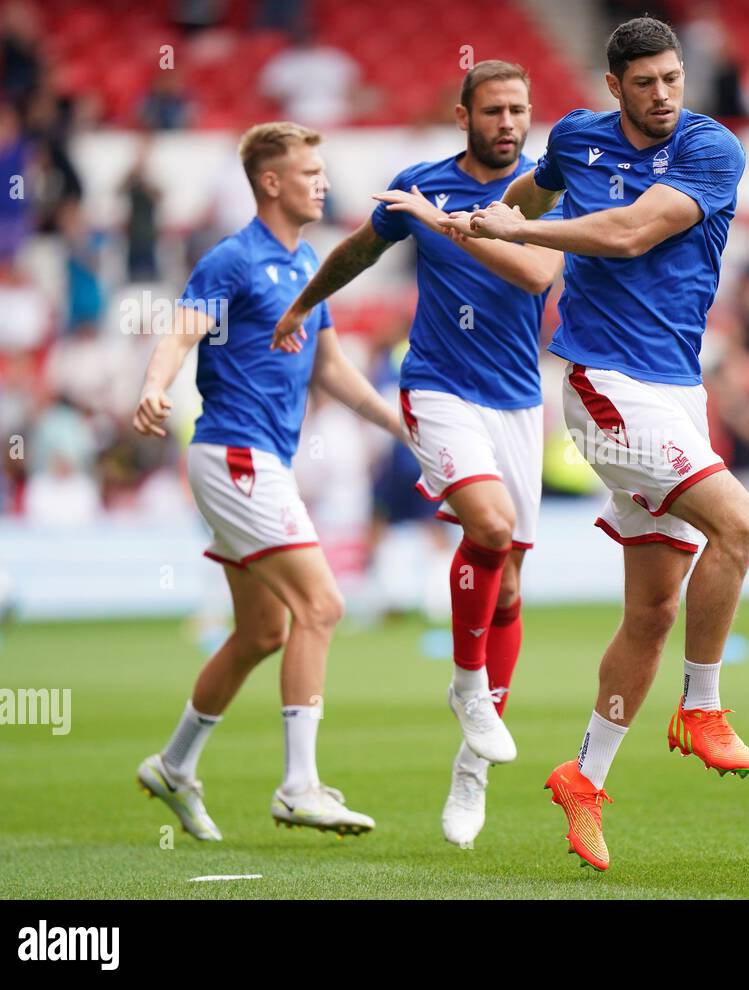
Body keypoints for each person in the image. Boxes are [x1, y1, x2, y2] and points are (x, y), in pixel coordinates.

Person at [440, 17, 749, 872]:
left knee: (654, 610)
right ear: (612, 87)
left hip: (677, 394)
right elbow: (537, 193)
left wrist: (516, 233)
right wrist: (490, 219)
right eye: (646, 83)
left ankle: (584, 779)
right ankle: (704, 707)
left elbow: (628, 231)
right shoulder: (577, 136)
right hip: (604, 386)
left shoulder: (713, 148)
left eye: (673, 78)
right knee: (741, 526)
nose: (664, 95)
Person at [272, 62, 565, 849]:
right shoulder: (421, 181)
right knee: (490, 527)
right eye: (494, 110)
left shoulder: (543, 189)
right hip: (437, 385)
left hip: (517, 400)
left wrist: (443, 222)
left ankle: (470, 770)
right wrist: (304, 302)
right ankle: (468, 686)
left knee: (508, 593)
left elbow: (538, 268)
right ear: (463, 113)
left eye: (519, 110)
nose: (508, 122)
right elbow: (361, 250)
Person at [131, 121, 407, 841]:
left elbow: (331, 369)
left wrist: (400, 425)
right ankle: (299, 786)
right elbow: (181, 330)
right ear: (271, 182)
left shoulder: (310, 259)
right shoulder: (233, 259)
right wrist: (156, 387)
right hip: (236, 455)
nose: (323, 180)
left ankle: (175, 764)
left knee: (262, 631)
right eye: (309, 170)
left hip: (256, 460)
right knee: (323, 606)